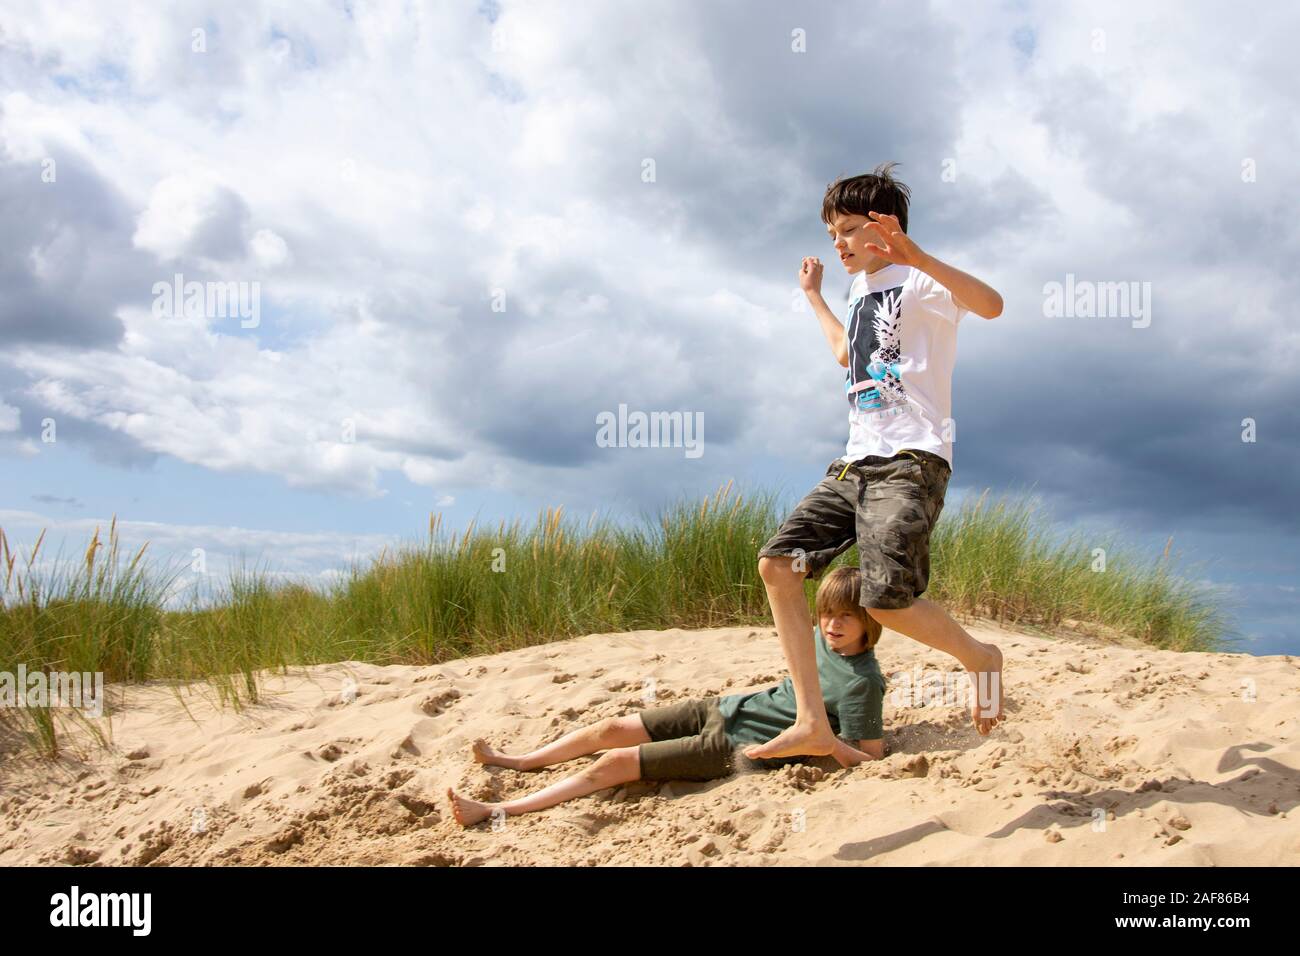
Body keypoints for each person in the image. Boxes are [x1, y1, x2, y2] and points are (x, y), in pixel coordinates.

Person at [744, 162, 1005, 763]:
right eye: (831, 233)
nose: (837, 243)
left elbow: (991, 305)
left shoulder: (925, 283)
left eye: (848, 230)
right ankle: (812, 719)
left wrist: (917, 256)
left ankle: (980, 657)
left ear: (885, 228)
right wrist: (813, 297)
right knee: (779, 566)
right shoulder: (859, 289)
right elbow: (845, 353)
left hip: (912, 459)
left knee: (887, 598)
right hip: (855, 462)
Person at [447, 567, 886, 826]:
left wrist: (830, 745)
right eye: (827, 613)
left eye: (846, 616)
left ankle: (496, 810)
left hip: (737, 747)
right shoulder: (815, 637)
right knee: (612, 728)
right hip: (728, 708)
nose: (832, 625)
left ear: (870, 618)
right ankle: (519, 760)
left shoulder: (862, 683)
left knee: (615, 762)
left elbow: (872, 757)